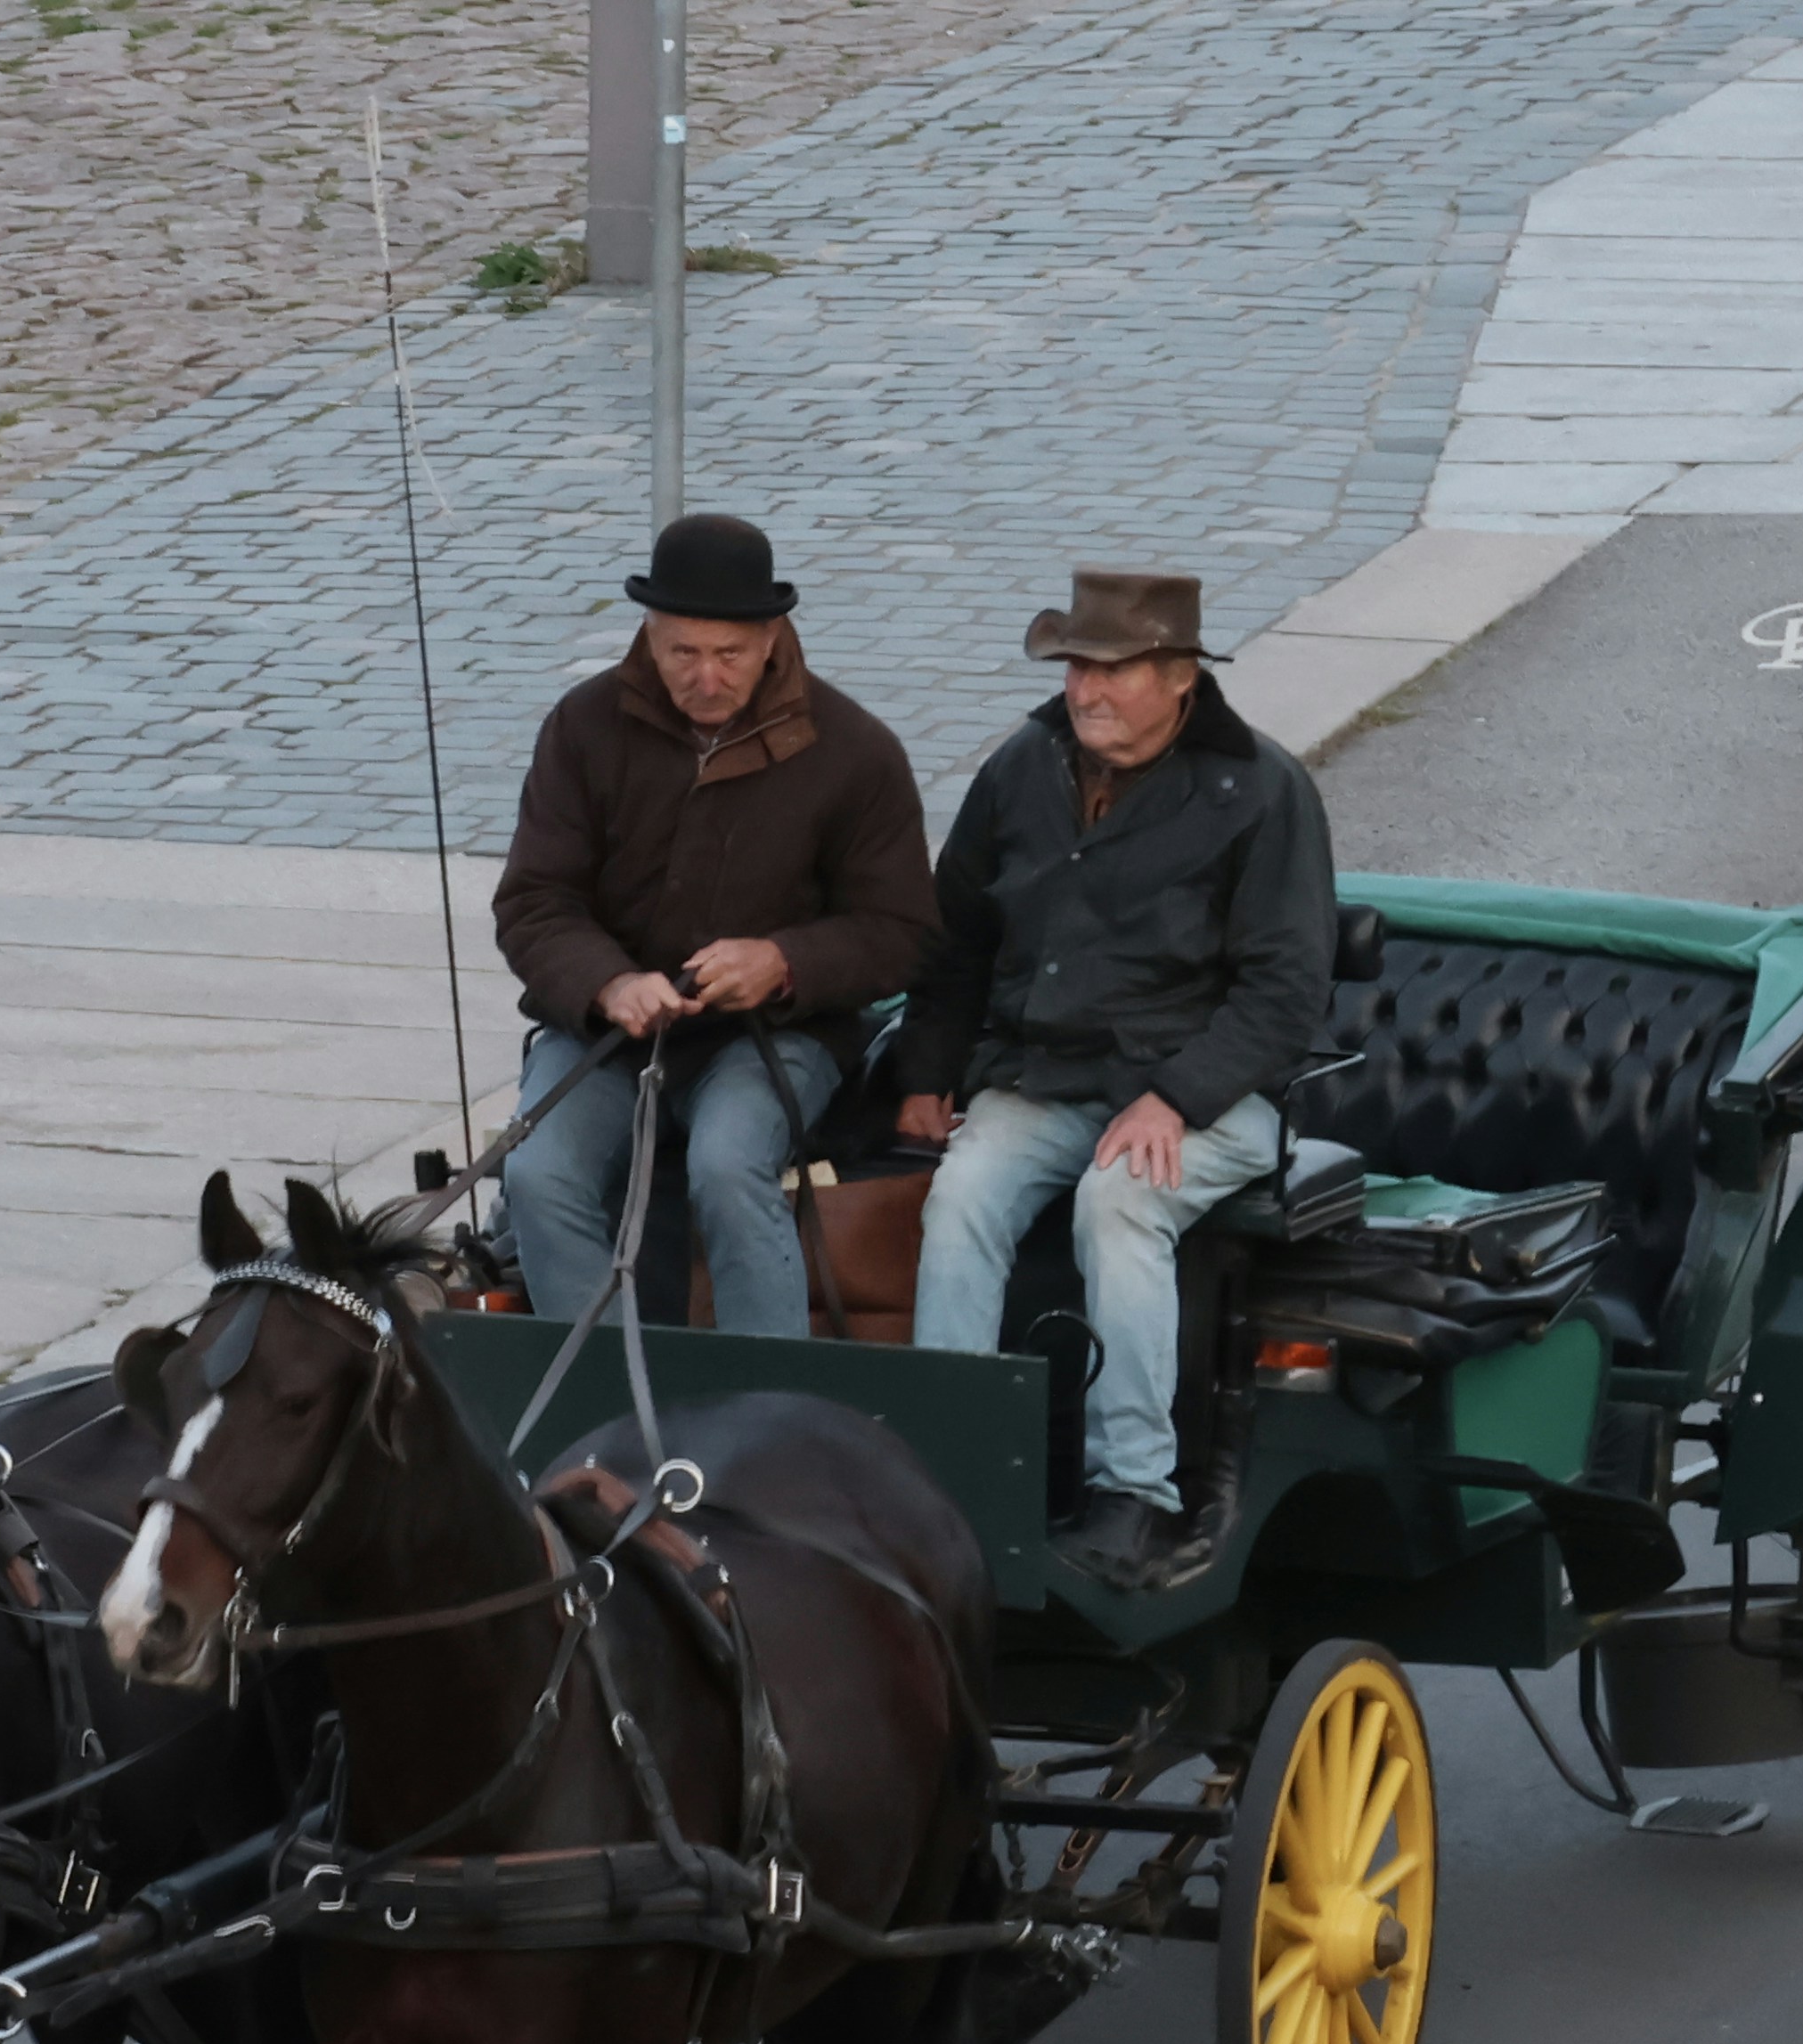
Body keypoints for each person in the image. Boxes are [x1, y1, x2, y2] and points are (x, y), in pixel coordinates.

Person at [895, 566, 1338, 1585]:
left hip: (1208, 1094)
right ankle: (944, 1466)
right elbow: (954, 939)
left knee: (1118, 1202)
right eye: (1074, 671)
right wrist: (927, 1070)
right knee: (960, 1193)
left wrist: (1175, 1095)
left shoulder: (1261, 792)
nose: (1084, 693)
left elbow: (1283, 990)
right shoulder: (1021, 766)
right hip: (1044, 1077)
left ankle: (1133, 1490)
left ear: (1179, 675)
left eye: (1110, 672)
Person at [485, 512, 938, 1335]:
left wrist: (784, 960)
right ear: (649, 636)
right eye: (682, 653)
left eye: (728, 654)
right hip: (605, 1032)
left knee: (729, 1167)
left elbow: (900, 928)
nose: (705, 677)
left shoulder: (856, 751)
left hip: (771, 1035)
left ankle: (767, 1407)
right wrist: (607, 982)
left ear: (773, 638)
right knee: (540, 1172)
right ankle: (598, 1401)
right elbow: (533, 900)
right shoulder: (584, 727)